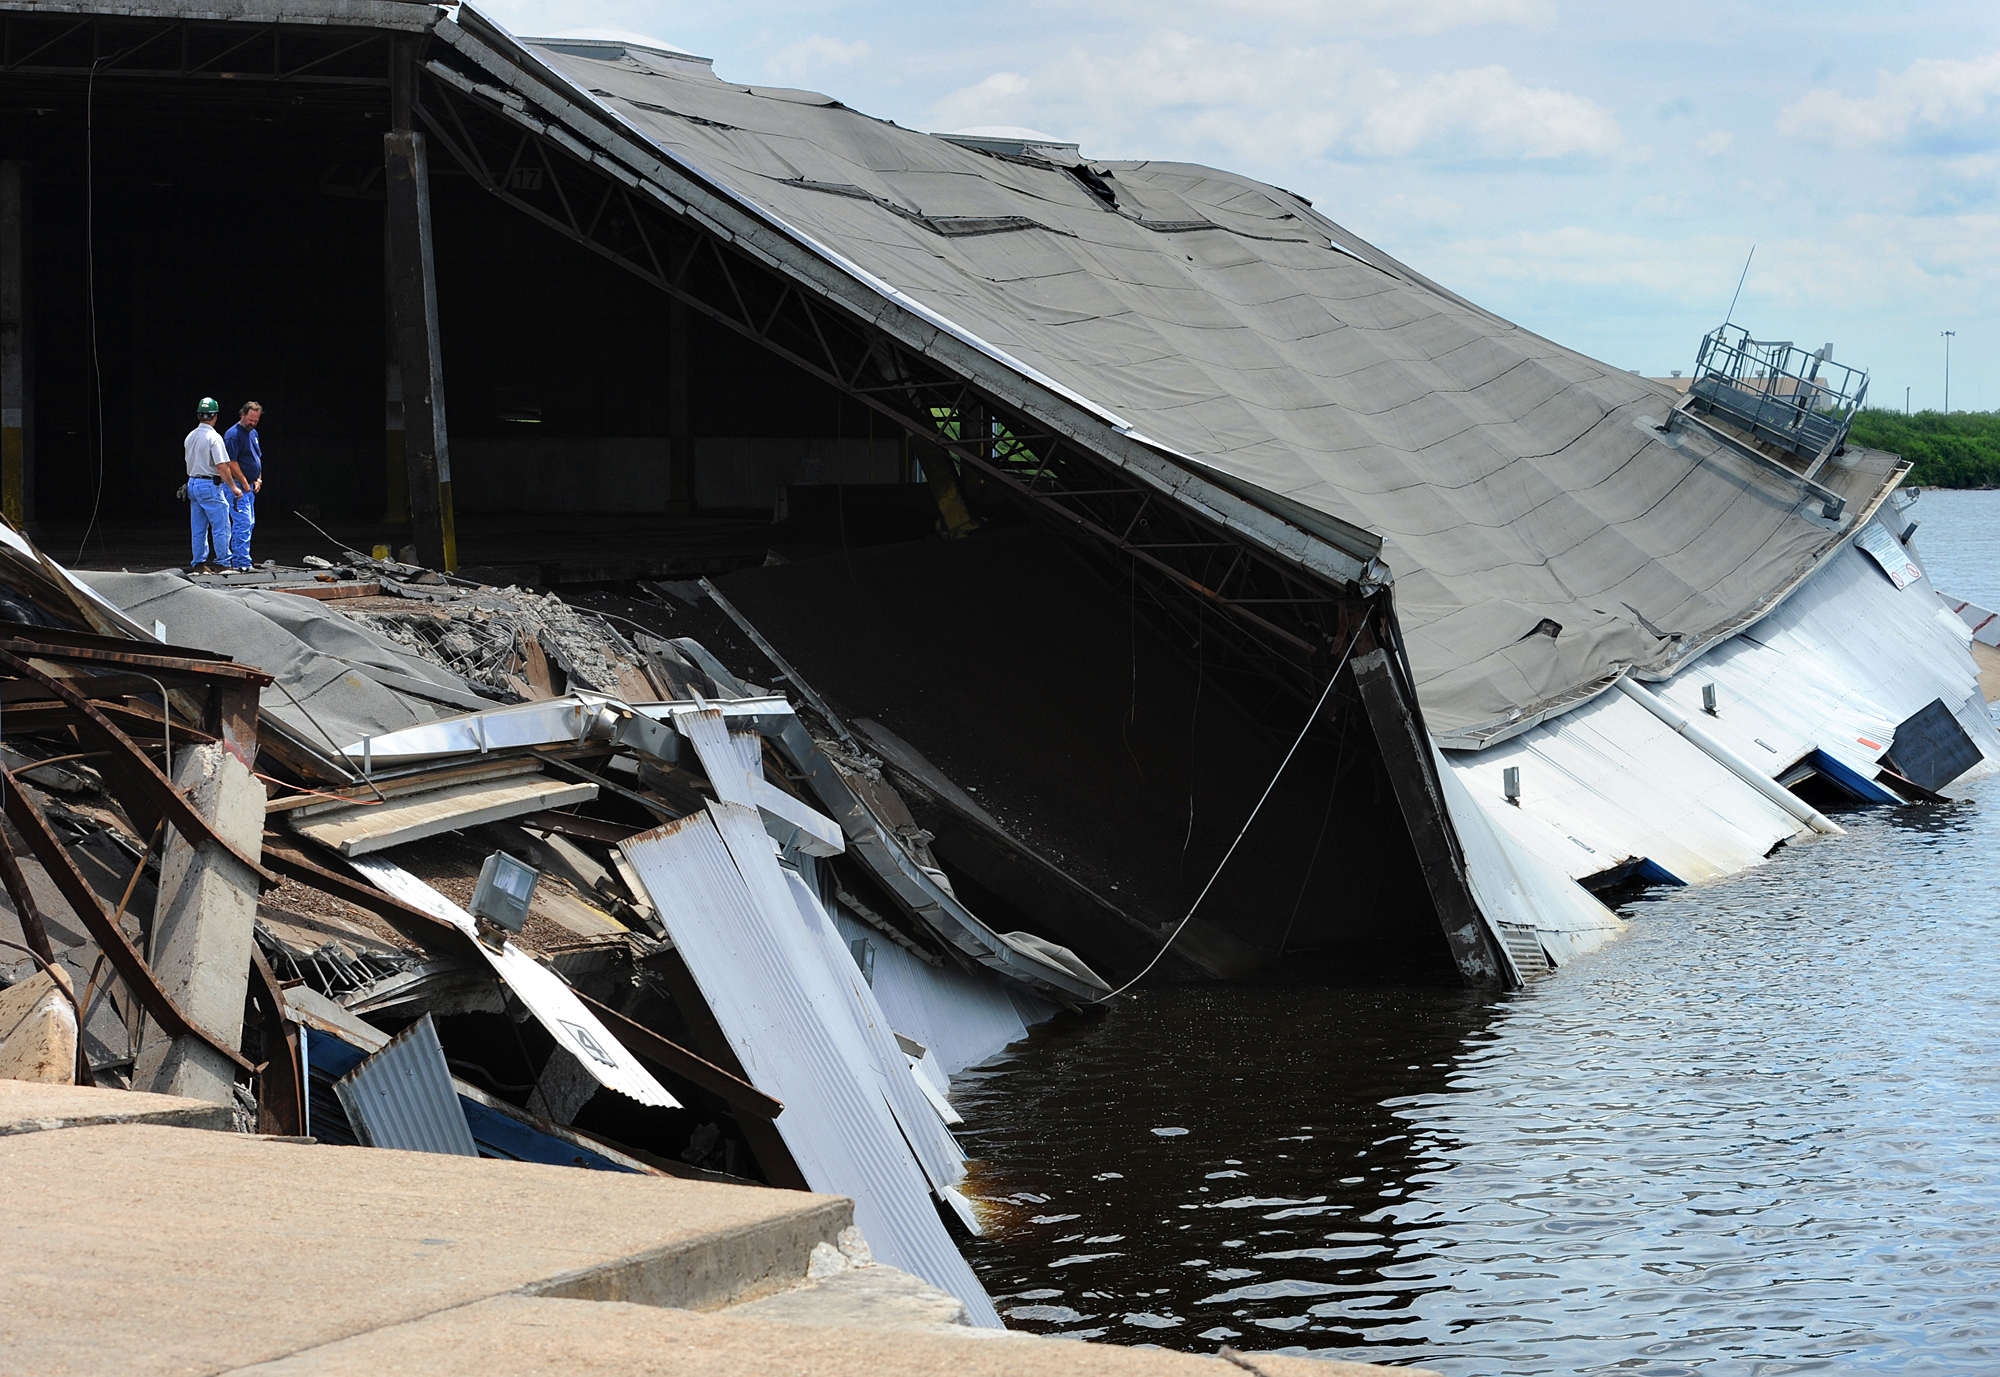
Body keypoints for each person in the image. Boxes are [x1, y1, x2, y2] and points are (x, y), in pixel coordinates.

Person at [182, 397, 245, 573]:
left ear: (198, 415)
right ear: (215, 416)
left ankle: (199, 564)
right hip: (209, 485)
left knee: (198, 528)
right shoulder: (214, 438)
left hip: (193, 483)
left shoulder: (190, 436)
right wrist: (233, 487)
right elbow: (221, 466)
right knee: (221, 525)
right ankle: (224, 563)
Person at [222, 400, 264, 571]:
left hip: (249, 487)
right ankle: (241, 563)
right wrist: (245, 484)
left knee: (248, 523)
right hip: (238, 488)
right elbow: (231, 462)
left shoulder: (253, 433)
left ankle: (243, 560)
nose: (252, 423)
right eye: (250, 420)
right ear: (242, 415)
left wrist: (258, 478)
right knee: (242, 523)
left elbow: (257, 457)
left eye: (256, 421)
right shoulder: (233, 435)